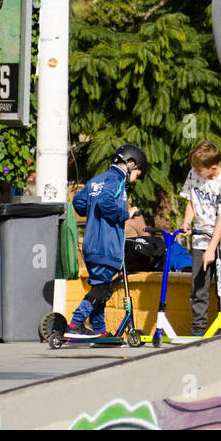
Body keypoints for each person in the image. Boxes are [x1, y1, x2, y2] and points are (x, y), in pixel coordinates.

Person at [67, 143, 148, 336]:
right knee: (102, 289)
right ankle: (76, 323)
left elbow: (78, 203)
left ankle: (99, 330)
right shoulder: (117, 179)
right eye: (137, 174)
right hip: (107, 245)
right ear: (130, 163)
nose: (135, 180)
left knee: (100, 287)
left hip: (90, 245)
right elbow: (105, 203)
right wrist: (126, 214)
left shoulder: (96, 180)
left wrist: (94, 212)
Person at [179, 140, 221, 334]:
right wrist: (187, 223)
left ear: (213, 167)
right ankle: (198, 328)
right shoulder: (193, 174)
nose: (195, 172)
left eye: (199, 169)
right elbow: (191, 201)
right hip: (200, 239)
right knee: (198, 287)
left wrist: (212, 249)